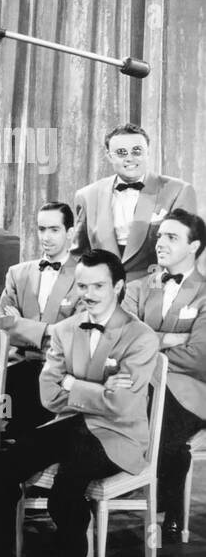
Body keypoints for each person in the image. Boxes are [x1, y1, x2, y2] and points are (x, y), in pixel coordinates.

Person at [0, 250, 160, 557]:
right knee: (3, 466)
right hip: (71, 422)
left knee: (67, 486)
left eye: (98, 286)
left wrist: (74, 383)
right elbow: (50, 396)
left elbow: (120, 407)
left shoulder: (141, 337)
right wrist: (97, 388)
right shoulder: (64, 329)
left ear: (118, 286)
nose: (88, 293)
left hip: (118, 435)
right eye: (83, 285)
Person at [120, 208, 206, 539]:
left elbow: (199, 358)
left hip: (189, 391)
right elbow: (120, 339)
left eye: (172, 237)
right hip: (142, 384)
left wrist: (147, 345)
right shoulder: (139, 288)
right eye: (160, 236)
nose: (161, 243)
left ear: (194, 246)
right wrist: (171, 339)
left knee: (162, 431)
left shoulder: (203, 292)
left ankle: (163, 506)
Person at [0, 202, 80, 438]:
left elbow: (77, 332)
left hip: (58, 372)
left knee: (21, 426)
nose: (46, 237)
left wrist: (20, 325)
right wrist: (50, 330)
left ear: (70, 232)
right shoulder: (17, 273)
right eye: (41, 229)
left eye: (54, 229)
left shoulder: (86, 275)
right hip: (17, 367)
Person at [73, 123, 197, 283]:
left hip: (156, 288)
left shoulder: (178, 191)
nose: (130, 158)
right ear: (109, 155)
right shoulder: (87, 195)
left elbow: (188, 252)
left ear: (148, 153)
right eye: (121, 153)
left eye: (137, 151)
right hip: (104, 292)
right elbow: (78, 255)